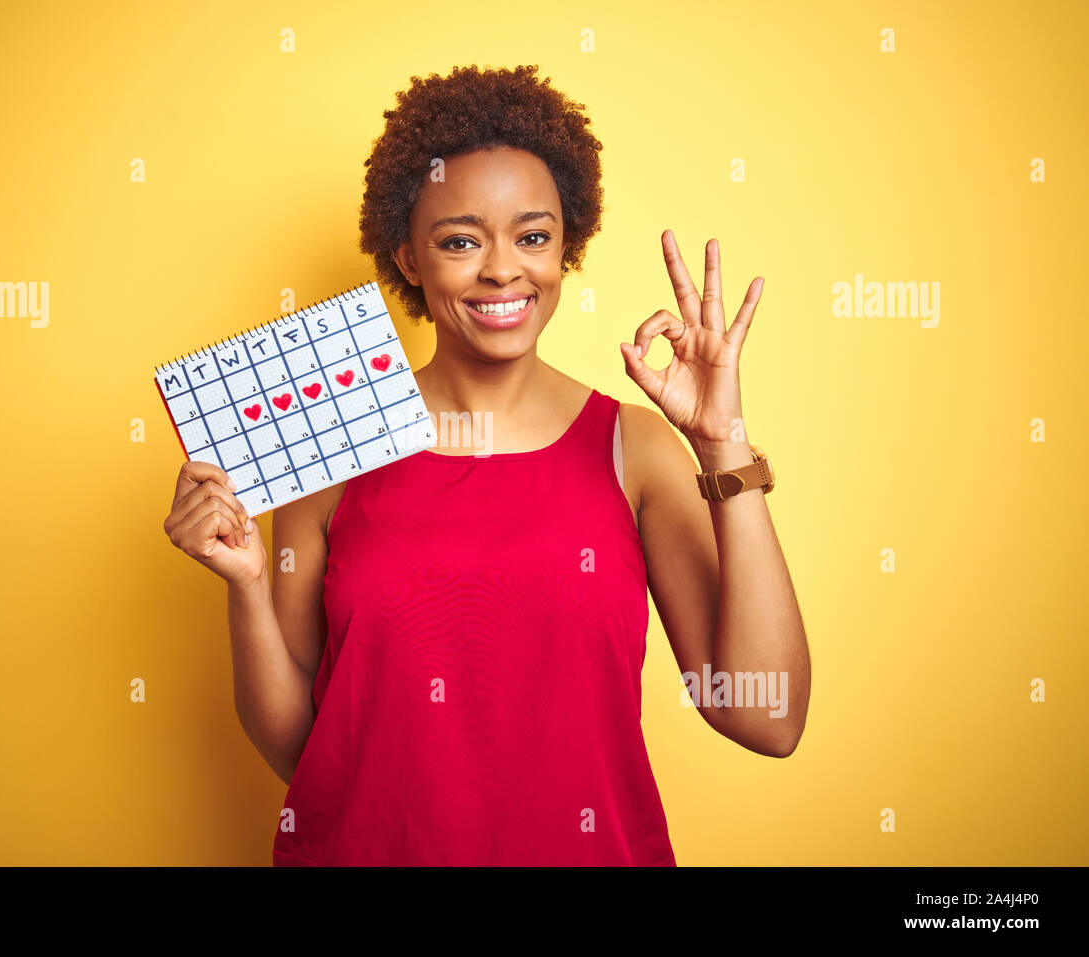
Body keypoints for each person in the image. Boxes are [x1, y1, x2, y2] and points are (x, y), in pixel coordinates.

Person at [162, 64, 811, 865]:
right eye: (461, 240)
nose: (503, 269)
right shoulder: (337, 449)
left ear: (566, 247)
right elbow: (312, 755)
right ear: (407, 257)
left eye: (533, 236)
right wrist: (247, 584)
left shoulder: (633, 448)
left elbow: (769, 717)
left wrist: (723, 445)